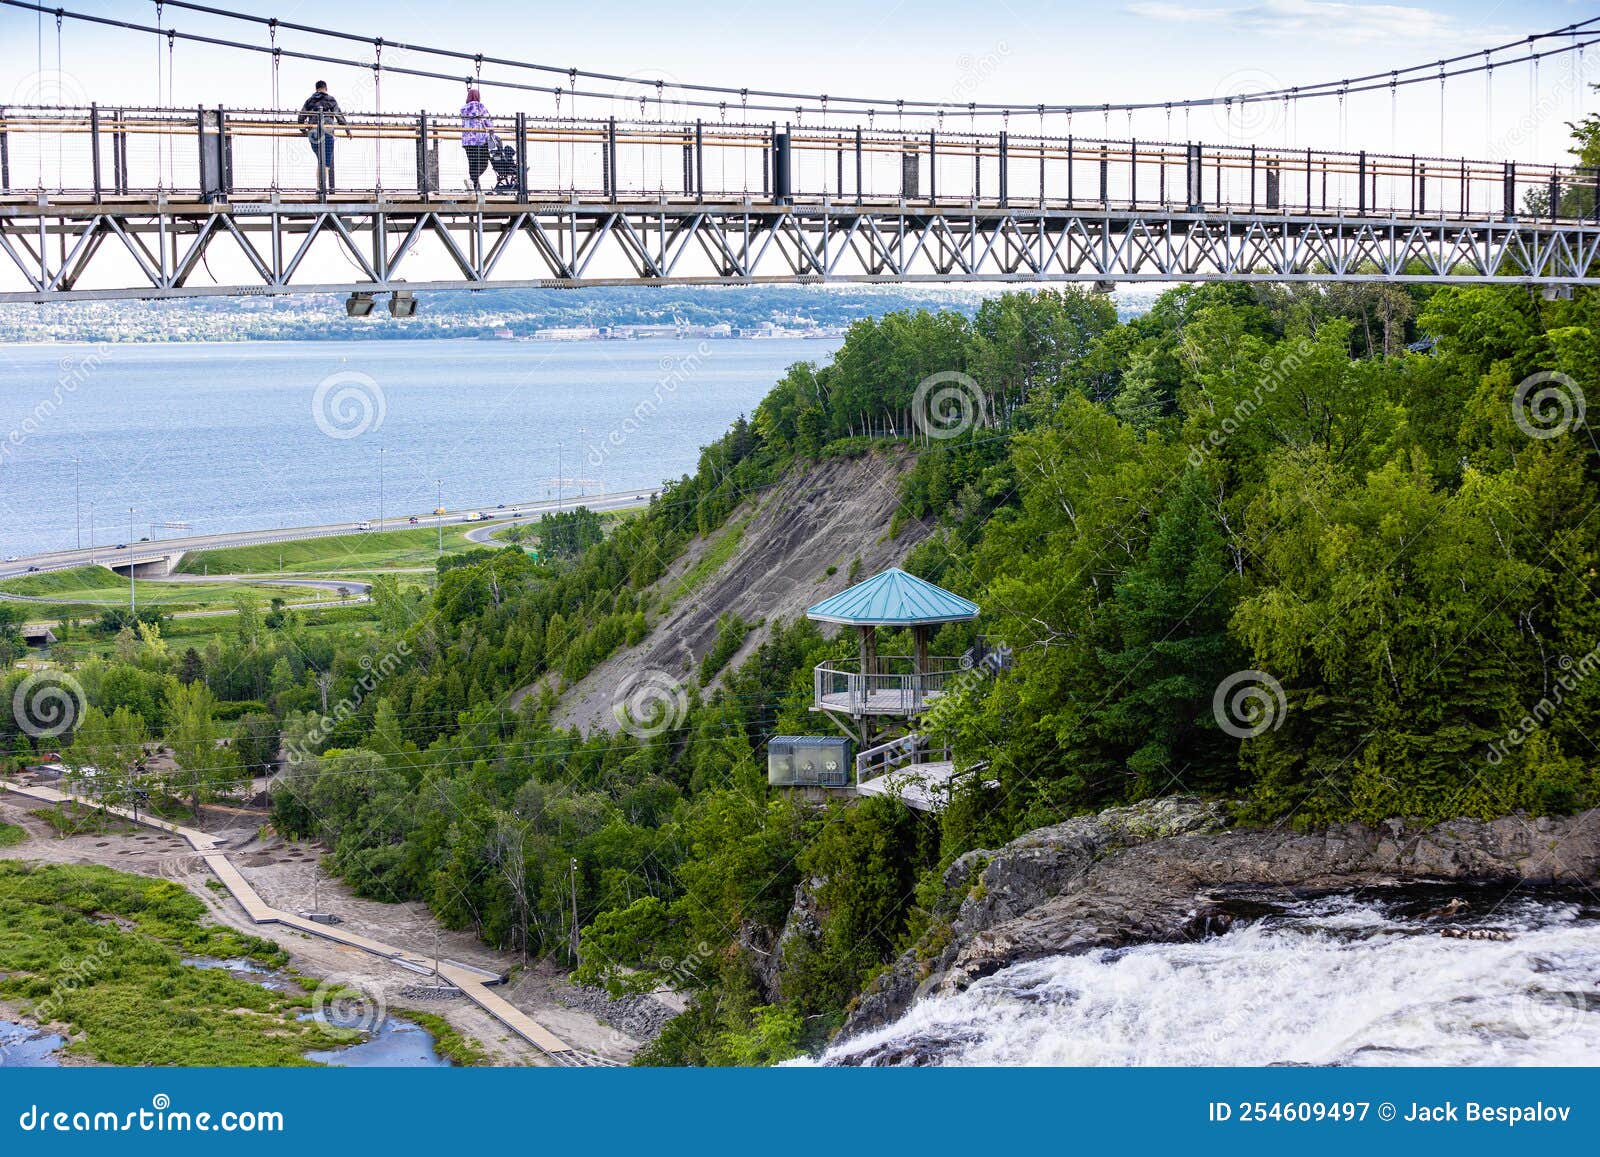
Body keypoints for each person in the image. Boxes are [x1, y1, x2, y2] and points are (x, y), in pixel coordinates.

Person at [298, 81, 349, 192]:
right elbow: (338, 115)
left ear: (316, 89)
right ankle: (321, 188)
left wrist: (303, 129)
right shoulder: (330, 100)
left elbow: (301, 117)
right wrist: (347, 130)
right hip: (327, 131)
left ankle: (319, 187)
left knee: (321, 161)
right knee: (325, 162)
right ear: (326, 88)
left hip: (313, 132)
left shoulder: (309, 101)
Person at [460, 88, 492, 191]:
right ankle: (472, 180)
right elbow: (488, 122)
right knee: (483, 163)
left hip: (467, 142)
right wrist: (492, 131)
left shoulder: (464, 109)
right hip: (479, 140)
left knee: (472, 163)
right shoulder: (480, 106)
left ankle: (473, 187)